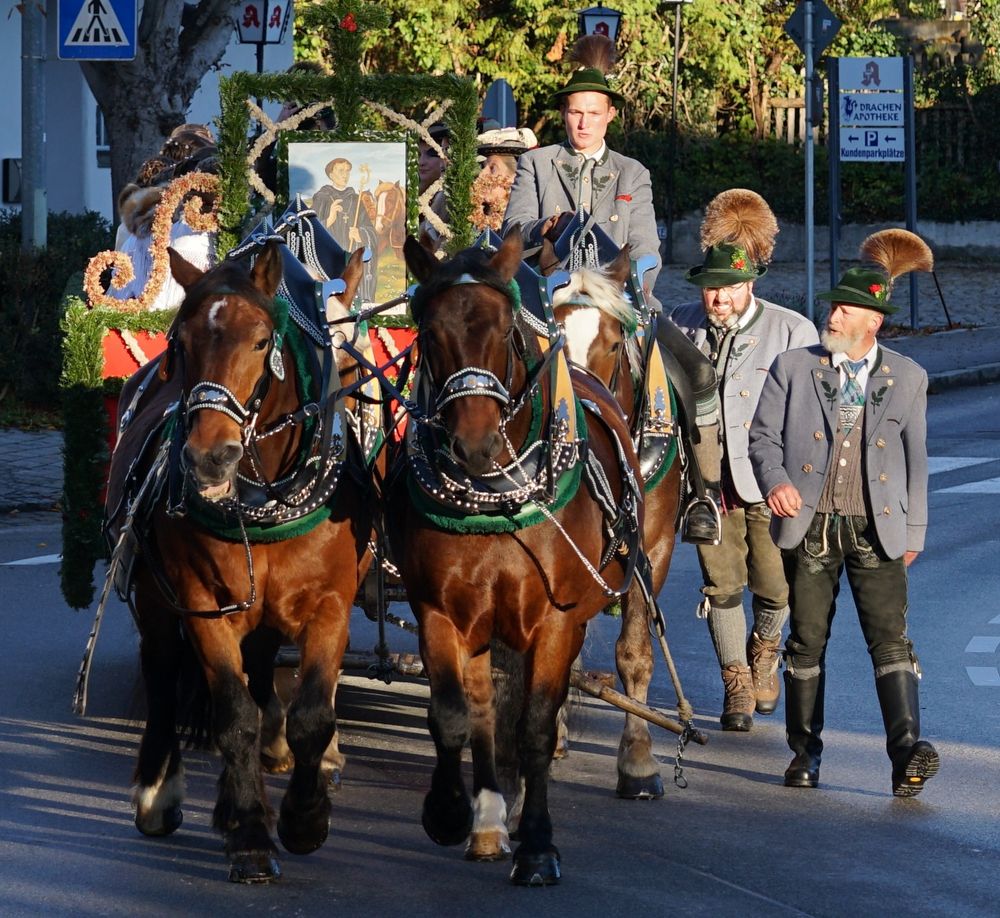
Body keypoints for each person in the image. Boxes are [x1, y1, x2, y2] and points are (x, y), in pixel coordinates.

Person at [502, 33, 723, 544]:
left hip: (618, 303)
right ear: (564, 114)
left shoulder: (633, 172)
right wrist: (544, 228)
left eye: (593, 113)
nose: (583, 122)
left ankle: (703, 493)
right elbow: (513, 233)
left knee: (698, 370)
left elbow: (646, 245)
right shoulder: (535, 165)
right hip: (549, 299)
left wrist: (632, 290)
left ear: (610, 116)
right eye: (575, 112)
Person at [748, 228, 940, 796]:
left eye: (844, 309)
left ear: (872, 321)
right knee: (806, 642)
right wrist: (777, 484)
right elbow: (762, 440)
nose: (831, 316)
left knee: (891, 642)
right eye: (833, 306)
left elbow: (918, 461)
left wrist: (916, 531)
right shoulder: (792, 367)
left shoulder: (907, 377)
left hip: (878, 530)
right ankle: (804, 754)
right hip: (811, 528)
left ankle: (907, 755)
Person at [671, 190, 819, 731]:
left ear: (749, 285)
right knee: (722, 583)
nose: (718, 301)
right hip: (707, 484)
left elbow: (812, 418)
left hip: (770, 480)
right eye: (711, 290)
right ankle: (735, 679)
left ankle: (765, 651)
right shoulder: (679, 327)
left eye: (729, 289)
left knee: (775, 584)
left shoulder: (791, 331)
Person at [312, 157, 378, 301]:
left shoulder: (356, 199)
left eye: (347, 171)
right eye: (340, 170)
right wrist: (329, 220)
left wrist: (360, 233)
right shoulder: (322, 198)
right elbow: (309, 231)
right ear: (331, 174)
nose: (345, 174)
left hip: (351, 259)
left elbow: (372, 232)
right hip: (328, 260)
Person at [417, 122, 450, 247]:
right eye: (419, 154)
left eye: (431, 154)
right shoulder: (408, 200)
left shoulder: (451, 199)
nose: (421, 162)